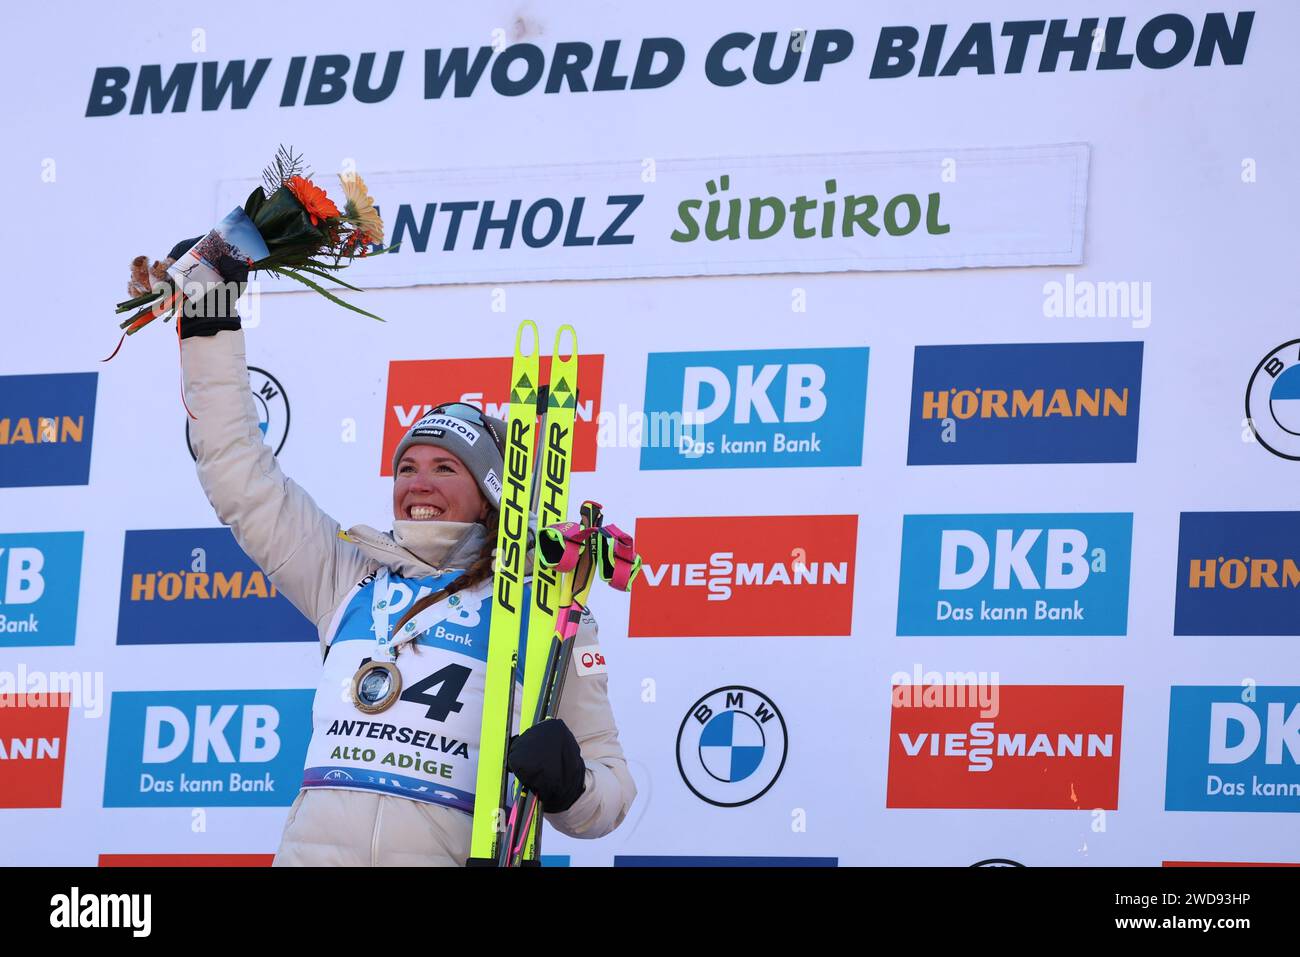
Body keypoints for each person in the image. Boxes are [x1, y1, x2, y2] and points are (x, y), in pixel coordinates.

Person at [165, 238, 635, 866]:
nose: (418, 482)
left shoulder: (545, 609)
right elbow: (240, 476)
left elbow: (611, 791)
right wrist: (209, 321)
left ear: (493, 491)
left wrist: (570, 785)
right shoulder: (347, 575)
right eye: (406, 465)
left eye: (445, 467)